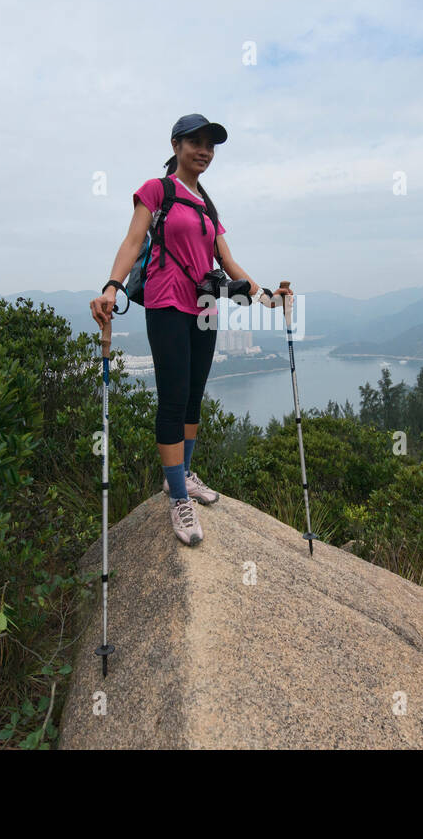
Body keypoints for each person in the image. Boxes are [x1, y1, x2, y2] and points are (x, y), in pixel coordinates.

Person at [90, 114, 290, 546]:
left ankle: (180, 476)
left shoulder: (208, 206)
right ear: (177, 145)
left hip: (204, 305)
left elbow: (229, 263)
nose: (204, 151)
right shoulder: (157, 190)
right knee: (173, 396)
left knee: (195, 396)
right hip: (165, 300)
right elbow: (132, 241)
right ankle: (179, 497)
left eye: (211, 145)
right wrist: (112, 285)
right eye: (196, 142)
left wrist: (268, 298)